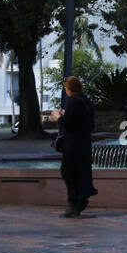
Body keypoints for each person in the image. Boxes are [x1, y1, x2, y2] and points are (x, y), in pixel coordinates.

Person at [50, 76, 96, 218]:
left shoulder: (74, 101)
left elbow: (69, 123)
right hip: (84, 143)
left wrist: (58, 117)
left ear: (70, 88)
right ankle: (79, 201)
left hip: (73, 144)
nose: (66, 91)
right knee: (80, 172)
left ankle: (75, 203)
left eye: (66, 88)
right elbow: (83, 121)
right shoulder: (86, 101)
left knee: (69, 172)